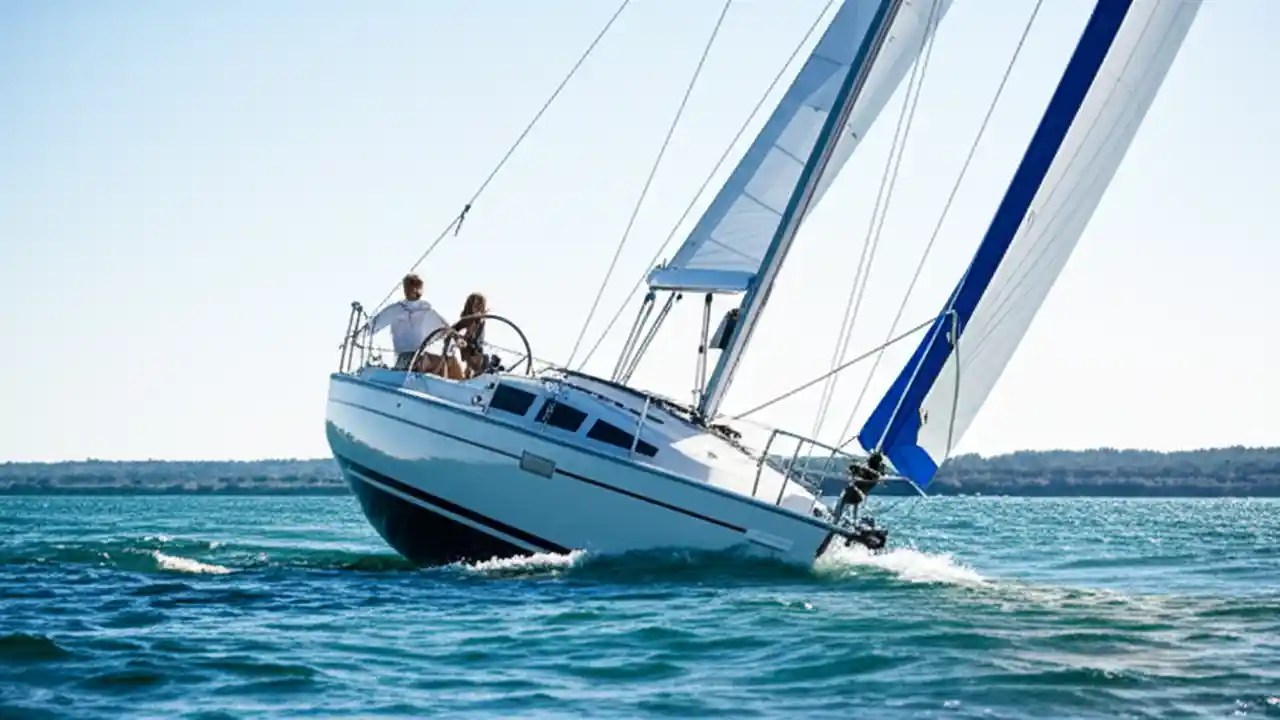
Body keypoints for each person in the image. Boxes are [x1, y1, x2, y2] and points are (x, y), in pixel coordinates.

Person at [364, 274, 451, 371]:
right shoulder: (396, 309)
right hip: (403, 355)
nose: (411, 290)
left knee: (442, 361)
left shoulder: (427, 311)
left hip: (420, 355)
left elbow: (446, 330)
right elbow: (374, 325)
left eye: (414, 286)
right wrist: (359, 333)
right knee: (414, 361)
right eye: (408, 286)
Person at [453, 292, 488, 378]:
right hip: (465, 353)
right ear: (470, 305)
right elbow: (452, 330)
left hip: (475, 353)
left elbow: (476, 337)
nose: (479, 307)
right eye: (476, 305)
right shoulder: (466, 320)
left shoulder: (480, 320)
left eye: (481, 305)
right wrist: (458, 338)